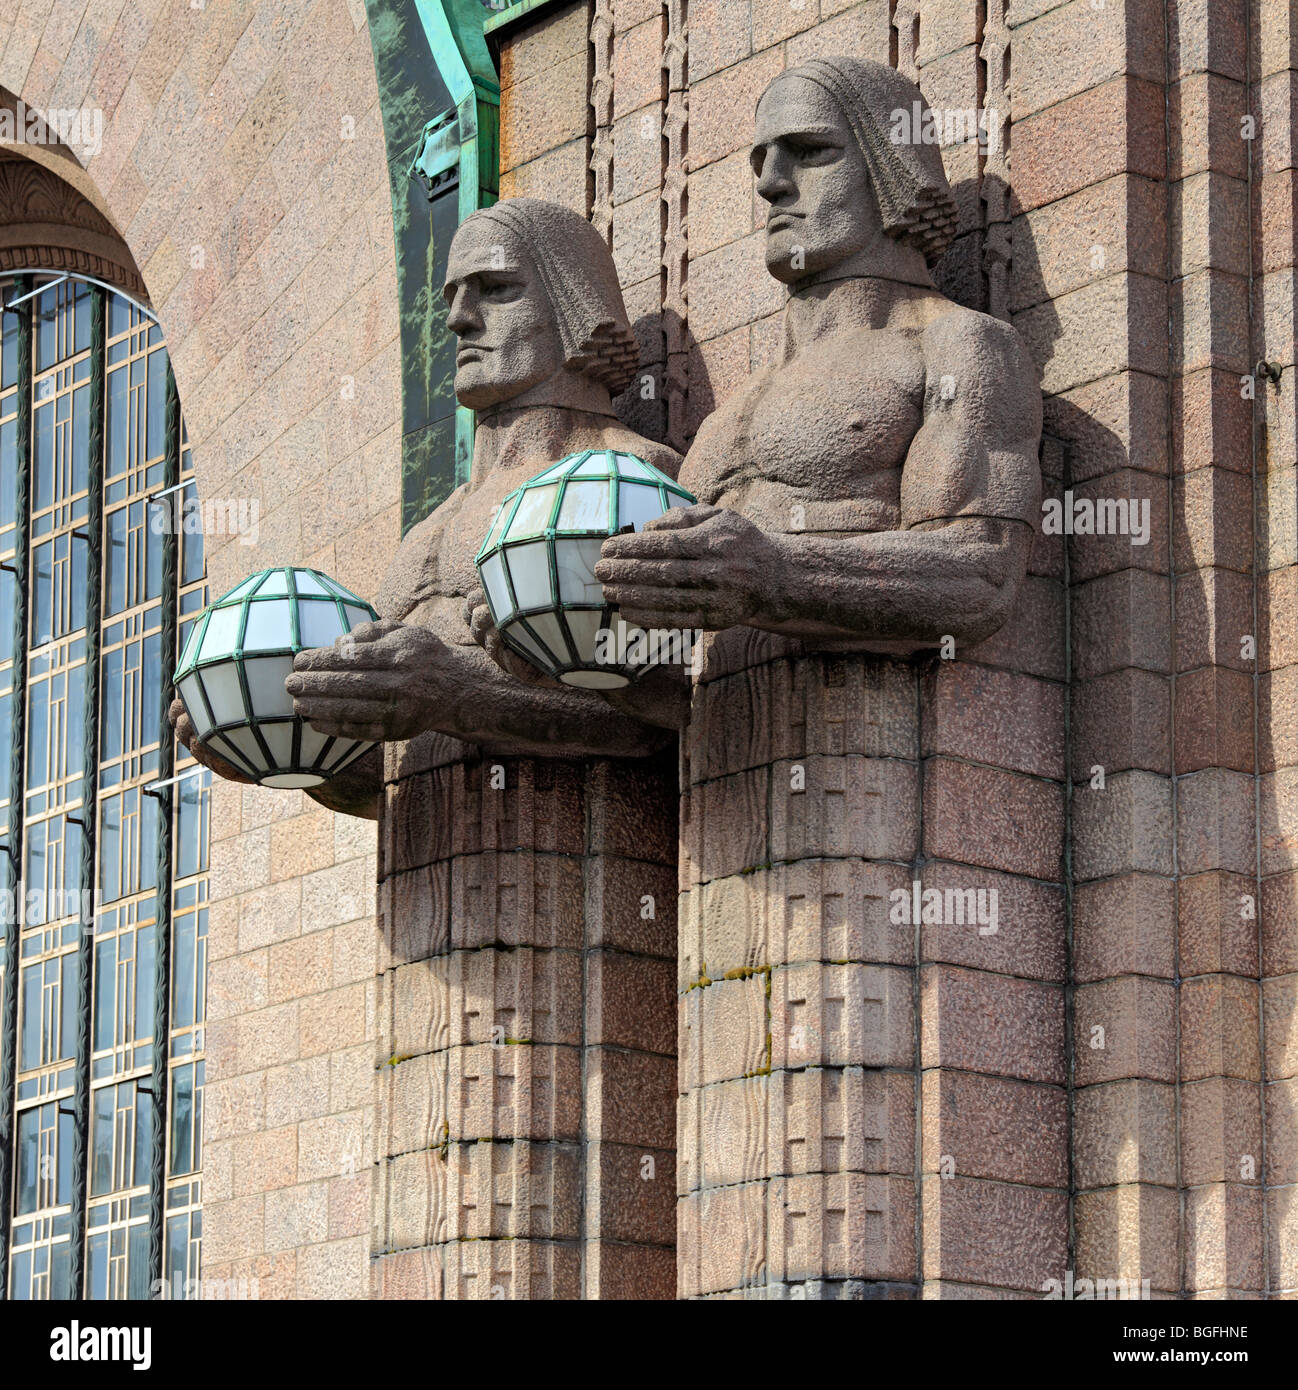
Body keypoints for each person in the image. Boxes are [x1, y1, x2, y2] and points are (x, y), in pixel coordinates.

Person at [170, 199, 683, 815]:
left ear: (574, 302)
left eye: (495, 288)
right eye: (451, 297)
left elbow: (667, 705)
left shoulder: (636, 476)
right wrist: (286, 744)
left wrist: (456, 690)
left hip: (573, 867)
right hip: (417, 890)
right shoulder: (425, 538)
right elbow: (392, 770)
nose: (459, 320)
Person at [593, 56, 1041, 653]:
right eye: (761, 160)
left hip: (875, 729)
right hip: (717, 738)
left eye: (810, 151)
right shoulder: (727, 418)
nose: (770, 182)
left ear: (892, 169)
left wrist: (774, 573)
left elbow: (981, 573)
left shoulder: (960, 346)